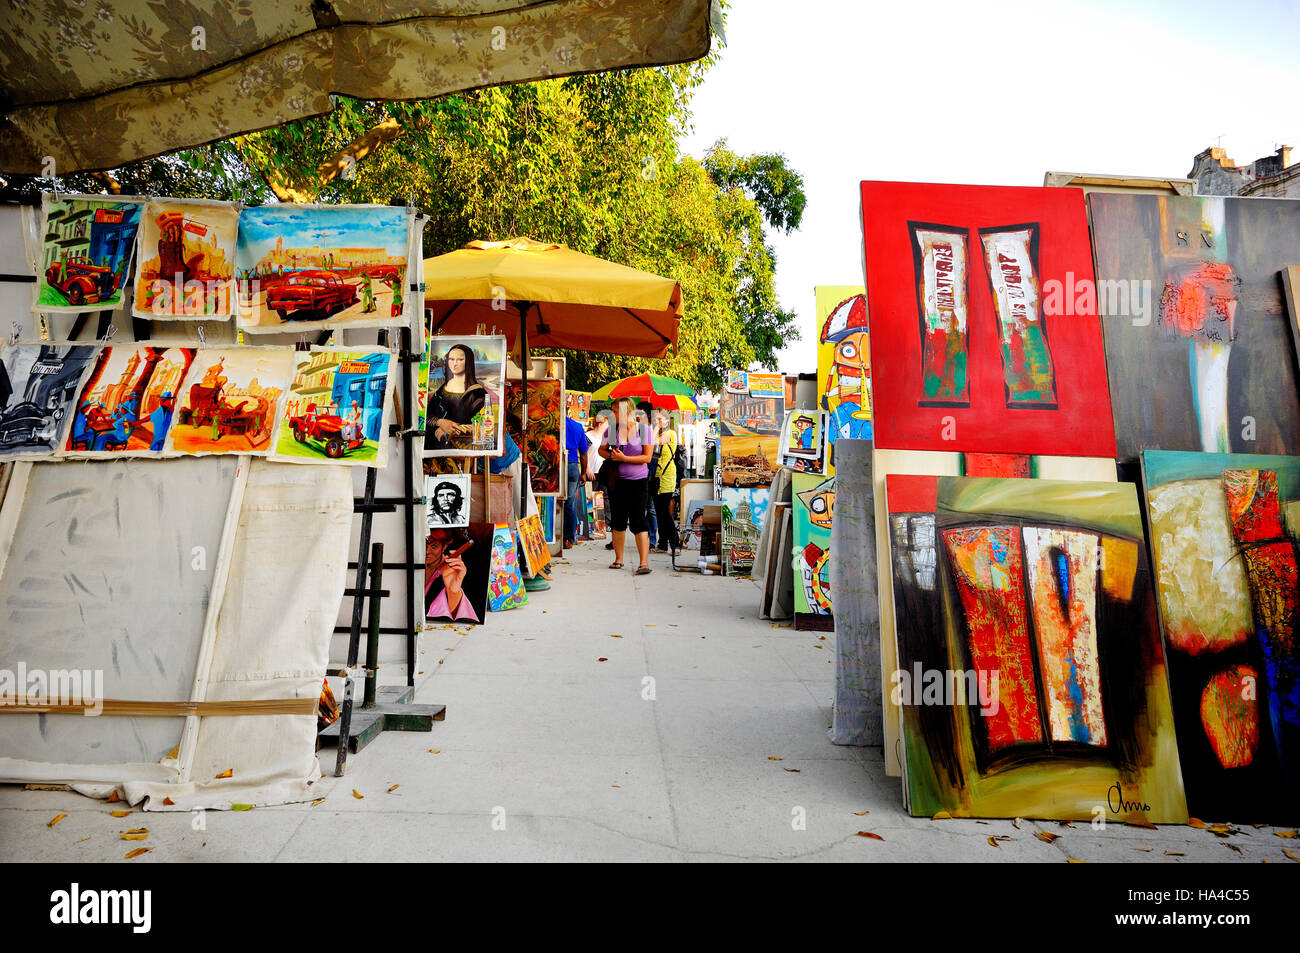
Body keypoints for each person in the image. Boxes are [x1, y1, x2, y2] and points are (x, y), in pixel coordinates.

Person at [599, 397, 654, 574]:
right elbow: (601, 449)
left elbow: (647, 458)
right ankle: (618, 559)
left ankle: (643, 563)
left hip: (639, 481)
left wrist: (625, 459)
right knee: (618, 520)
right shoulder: (612, 430)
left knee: (639, 521)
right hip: (618, 482)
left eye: (615, 411)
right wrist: (611, 456)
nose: (612, 415)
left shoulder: (644, 430)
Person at [427, 344, 489, 452]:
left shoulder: (478, 393)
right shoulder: (442, 389)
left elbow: (483, 424)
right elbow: (427, 415)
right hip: (435, 449)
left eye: (460, 359)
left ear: (468, 362)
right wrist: (440, 422)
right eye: (451, 359)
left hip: (463, 450)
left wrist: (452, 429)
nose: (455, 364)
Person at [425, 527, 478, 623]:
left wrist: (453, 592)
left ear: (444, 547)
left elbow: (461, 620)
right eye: (423, 545)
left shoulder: (453, 571)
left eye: (434, 546)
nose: (427, 551)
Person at [650, 410, 681, 555]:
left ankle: (676, 543)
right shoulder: (657, 433)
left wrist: (656, 427)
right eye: (655, 419)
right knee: (659, 511)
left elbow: (652, 442)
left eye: (660, 419)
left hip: (667, 476)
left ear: (667, 421)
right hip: (656, 476)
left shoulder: (671, 434)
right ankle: (662, 543)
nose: (657, 421)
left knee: (664, 511)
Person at [563, 412, 590, 549]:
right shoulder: (577, 426)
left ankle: (552, 536)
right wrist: (583, 473)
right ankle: (568, 539)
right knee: (570, 503)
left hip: (554, 464)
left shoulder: (550, 424)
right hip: (572, 465)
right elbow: (584, 453)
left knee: (550, 501)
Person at [637, 402, 658, 548]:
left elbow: (650, 455)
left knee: (650, 507)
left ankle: (651, 539)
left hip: (651, 471)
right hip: (639, 472)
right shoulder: (636, 430)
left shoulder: (653, 431)